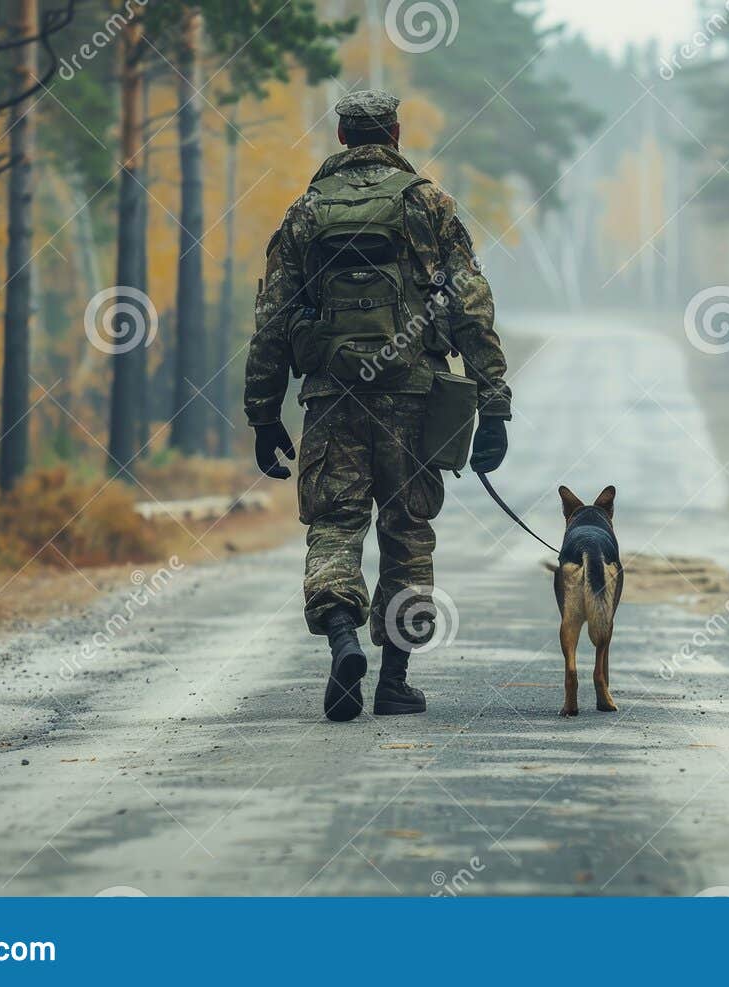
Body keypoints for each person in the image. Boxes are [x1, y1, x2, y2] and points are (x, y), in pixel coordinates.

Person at [243, 89, 512, 721]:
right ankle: (394, 680)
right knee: (407, 534)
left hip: (333, 398)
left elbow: (273, 318)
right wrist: (494, 401)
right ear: (394, 132)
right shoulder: (428, 203)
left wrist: (262, 414)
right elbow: (472, 305)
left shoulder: (305, 212)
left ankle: (341, 638)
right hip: (413, 399)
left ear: (341, 137)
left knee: (336, 525)